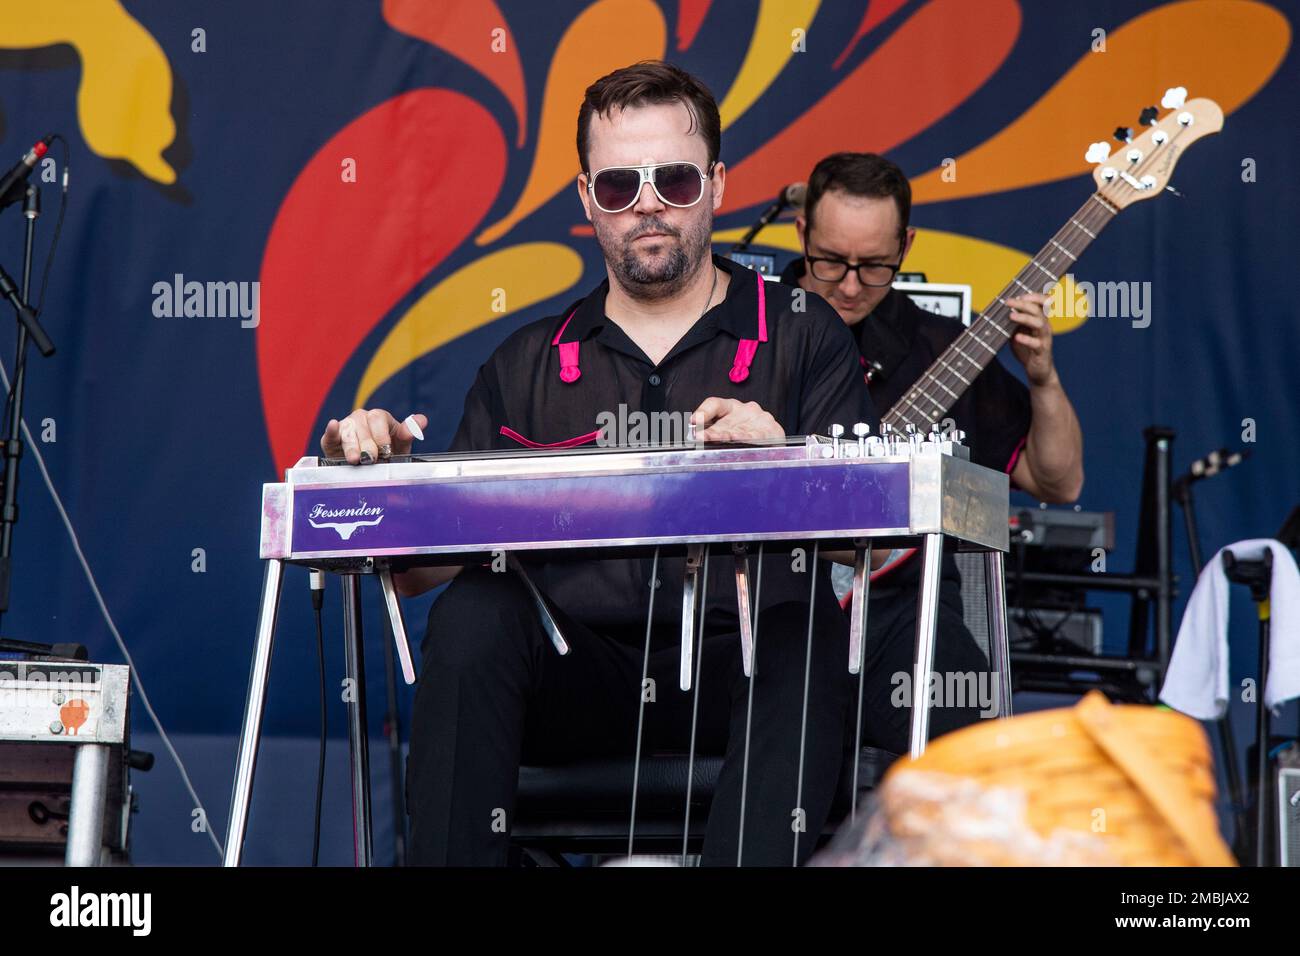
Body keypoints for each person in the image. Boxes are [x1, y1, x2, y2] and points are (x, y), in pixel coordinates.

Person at [320, 62, 877, 865]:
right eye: (619, 185)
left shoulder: (802, 332)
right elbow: (413, 573)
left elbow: (867, 553)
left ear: (716, 185)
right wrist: (375, 477)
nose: (647, 202)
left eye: (674, 180)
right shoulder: (527, 363)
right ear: (587, 200)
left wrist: (786, 466)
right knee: (477, 609)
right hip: (576, 681)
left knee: (802, 622)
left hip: (745, 677)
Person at [781, 152, 1084, 753]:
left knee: (979, 737)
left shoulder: (946, 352)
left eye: (873, 266)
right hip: (778, 606)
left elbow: (1059, 483)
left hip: (903, 615)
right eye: (831, 260)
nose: (847, 284)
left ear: (907, 245)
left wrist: (1044, 378)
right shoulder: (752, 334)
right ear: (801, 234)